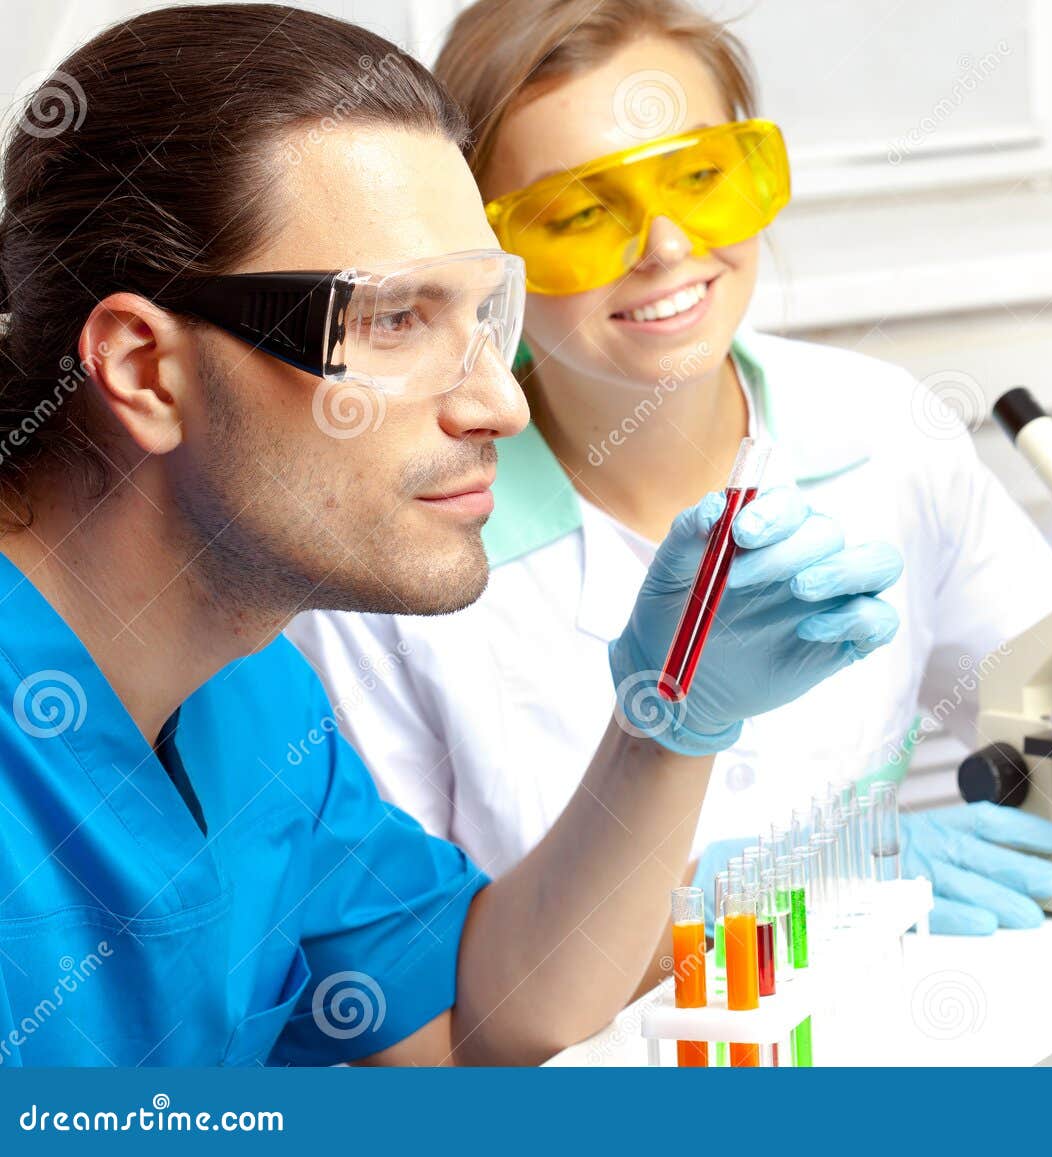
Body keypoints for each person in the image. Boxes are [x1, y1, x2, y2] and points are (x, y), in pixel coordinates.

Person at [289, 0, 1052, 939]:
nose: (665, 245)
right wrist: (759, 893)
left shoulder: (883, 430)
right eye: (580, 213)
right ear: (486, 258)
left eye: (700, 177)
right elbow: (410, 977)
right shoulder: (399, 543)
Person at [0, 2, 899, 1066]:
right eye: (393, 320)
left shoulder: (252, 700)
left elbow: (473, 1019)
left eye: (483, 316)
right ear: (146, 369)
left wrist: (663, 727)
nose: (499, 406)